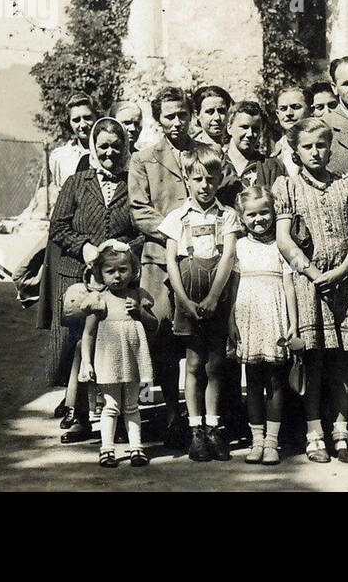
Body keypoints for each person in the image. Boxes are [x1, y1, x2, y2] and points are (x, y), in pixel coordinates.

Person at [273, 117, 348, 464]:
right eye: (307, 146)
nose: (315, 152)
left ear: (330, 147)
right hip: (310, 283)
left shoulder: (347, 186)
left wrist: (341, 271)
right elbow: (284, 238)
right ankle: (314, 432)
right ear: (296, 151)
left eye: (321, 145)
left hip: (347, 281)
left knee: (341, 361)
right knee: (314, 361)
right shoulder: (288, 188)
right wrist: (314, 272)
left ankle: (342, 432)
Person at [48, 116, 138, 443]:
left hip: (119, 280)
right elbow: (58, 228)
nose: (110, 153)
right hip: (82, 276)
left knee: (119, 342)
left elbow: (143, 228)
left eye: (117, 146)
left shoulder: (133, 181)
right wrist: (84, 247)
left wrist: (126, 249)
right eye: (104, 147)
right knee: (80, 346)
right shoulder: (77, 182)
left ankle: (125, 417)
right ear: (93, 148)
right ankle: (80, 417)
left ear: (125, 147)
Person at [159, 144, 239, 462]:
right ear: (187, 180)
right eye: (197, 179)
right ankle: (195, 430)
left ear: (220, 179)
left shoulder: (228, 216)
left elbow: (229, 256)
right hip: (188, 302)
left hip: (216, 299)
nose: (204, 185)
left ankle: (214, 427)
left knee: (216, 365)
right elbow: (171, 262)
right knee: (193, 364)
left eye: (210, 178)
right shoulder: (177, 218)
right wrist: (185, 301)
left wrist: (214, 296)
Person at [128, 86, 198, 448]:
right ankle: (171, 412)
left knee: (199, 340)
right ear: (158, 118)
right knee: (163, 337)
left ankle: (201, 417)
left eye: (182, 114)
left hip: (201, 259)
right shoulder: (143, 160)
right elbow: (140, 210)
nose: (176, 122)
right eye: (169, 115)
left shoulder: (206, 153)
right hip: (159, 258)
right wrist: (177, 234)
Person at [232, 186, 300, 467]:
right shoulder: (239, 246)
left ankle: (272, 441)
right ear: (241, 218)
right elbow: (234, 286)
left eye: (264, 213)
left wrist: (293, 323)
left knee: (274, 381)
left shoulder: (281, 246)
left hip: (274, 315)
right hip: (248, 316)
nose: (259, 219)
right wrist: (230, 321)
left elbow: (288, 285)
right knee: (253, 381)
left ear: (273, 213)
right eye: (251, 215)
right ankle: (257, 440)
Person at [75, 240, 157, 467]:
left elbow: (154, 325)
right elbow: (88, 335)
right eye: (110, 271)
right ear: (100, 274)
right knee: (110, 406)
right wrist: (86, 363)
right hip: (108, 362)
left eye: (123, 270)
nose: (117, 276)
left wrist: (140, 312)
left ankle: (136, 448)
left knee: (132, 406)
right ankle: (107, 449)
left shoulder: (139, 296)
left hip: (134, 361)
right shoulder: (99, 299)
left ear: (133, 270)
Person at [31, 94, 96, 332]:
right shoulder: (60, 157)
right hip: (68, 232)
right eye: (76, 119)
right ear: (69, 123)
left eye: (88, 117)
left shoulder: (110, 149)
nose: (83, 124)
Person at [270, 85, 310, 177]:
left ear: (310, 110)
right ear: (278, 114)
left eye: (296, 107)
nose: (289, 113)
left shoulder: (322, 145)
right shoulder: (276, 152)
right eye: (283, 109)